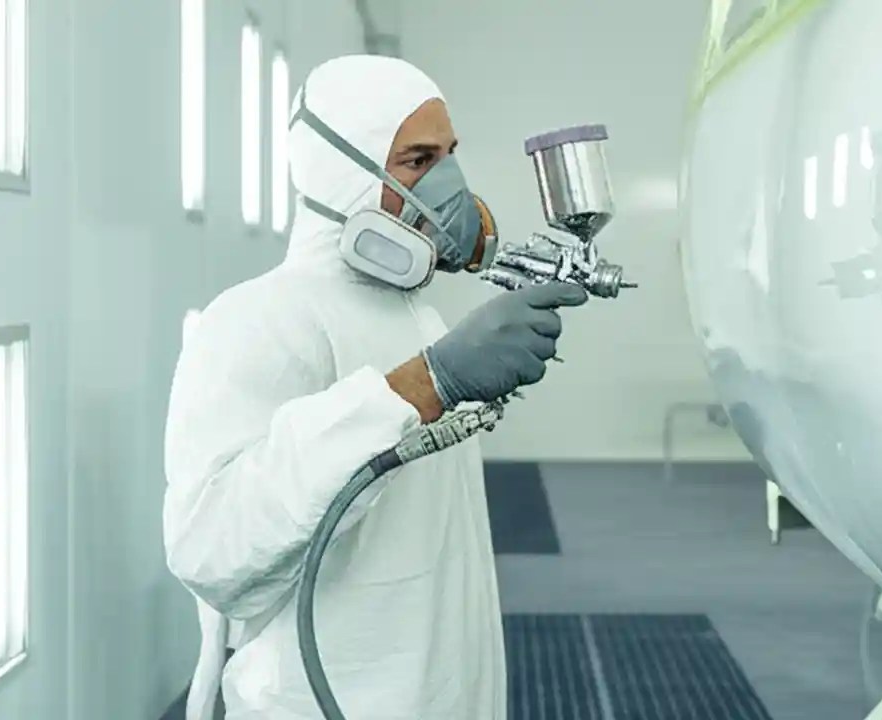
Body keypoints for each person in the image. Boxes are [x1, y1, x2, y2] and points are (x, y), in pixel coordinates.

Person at [162, 54, 585, 719]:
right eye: (419, 161)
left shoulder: (417, 315)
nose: (450, 187)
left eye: (450, 155)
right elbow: (211, 548)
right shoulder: (260, 320)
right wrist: (423, 384)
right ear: (344, 175)